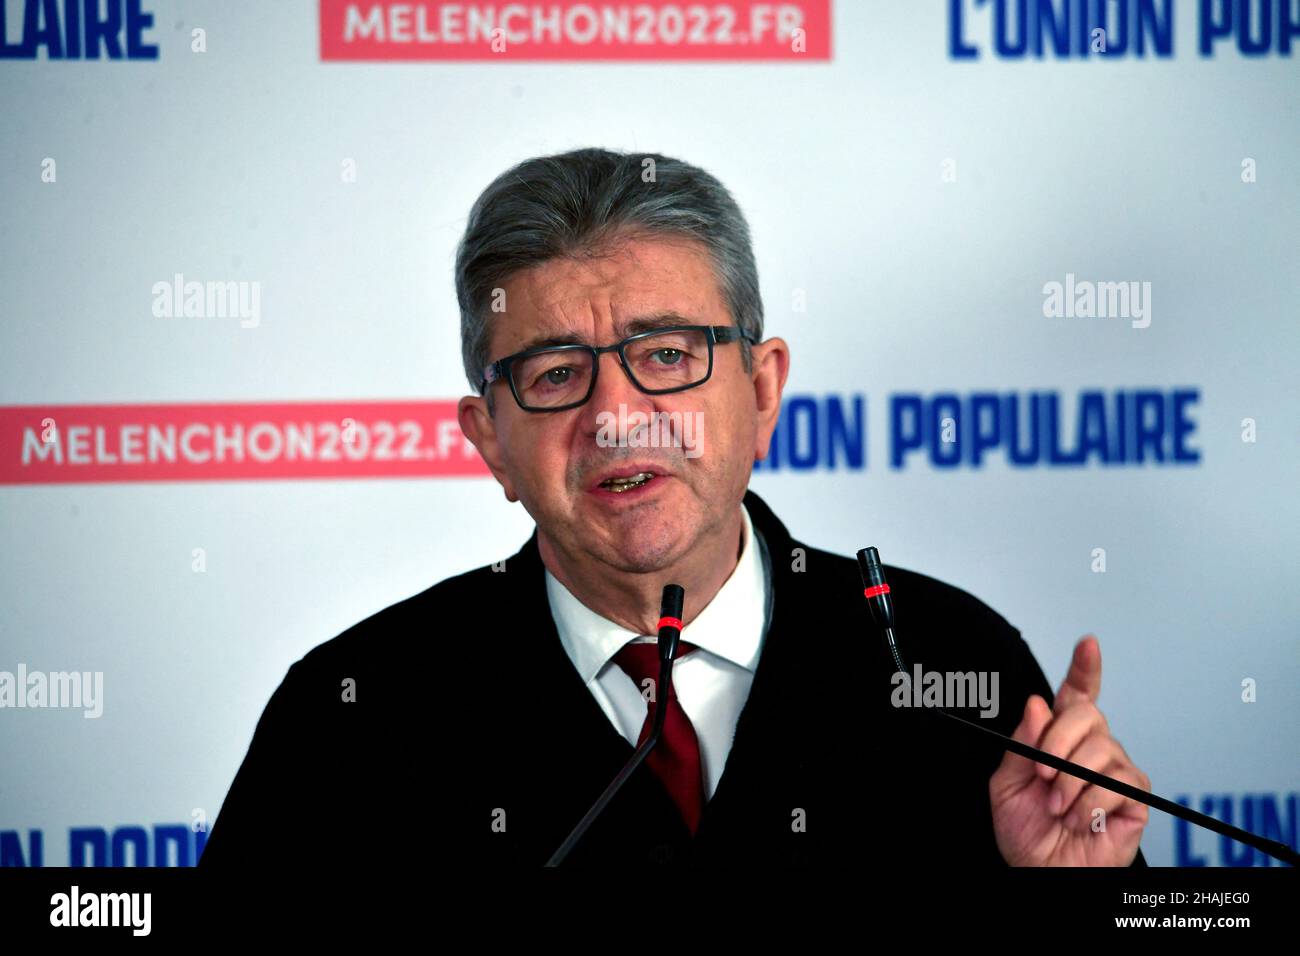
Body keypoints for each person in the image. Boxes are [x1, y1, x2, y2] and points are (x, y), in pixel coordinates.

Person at [200, 148, 1150, 869]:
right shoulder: (351, 716)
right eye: (555, 373)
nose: (616, 418)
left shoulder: (953, 663)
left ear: (762, 390)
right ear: (490, 439)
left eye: (665, 355)